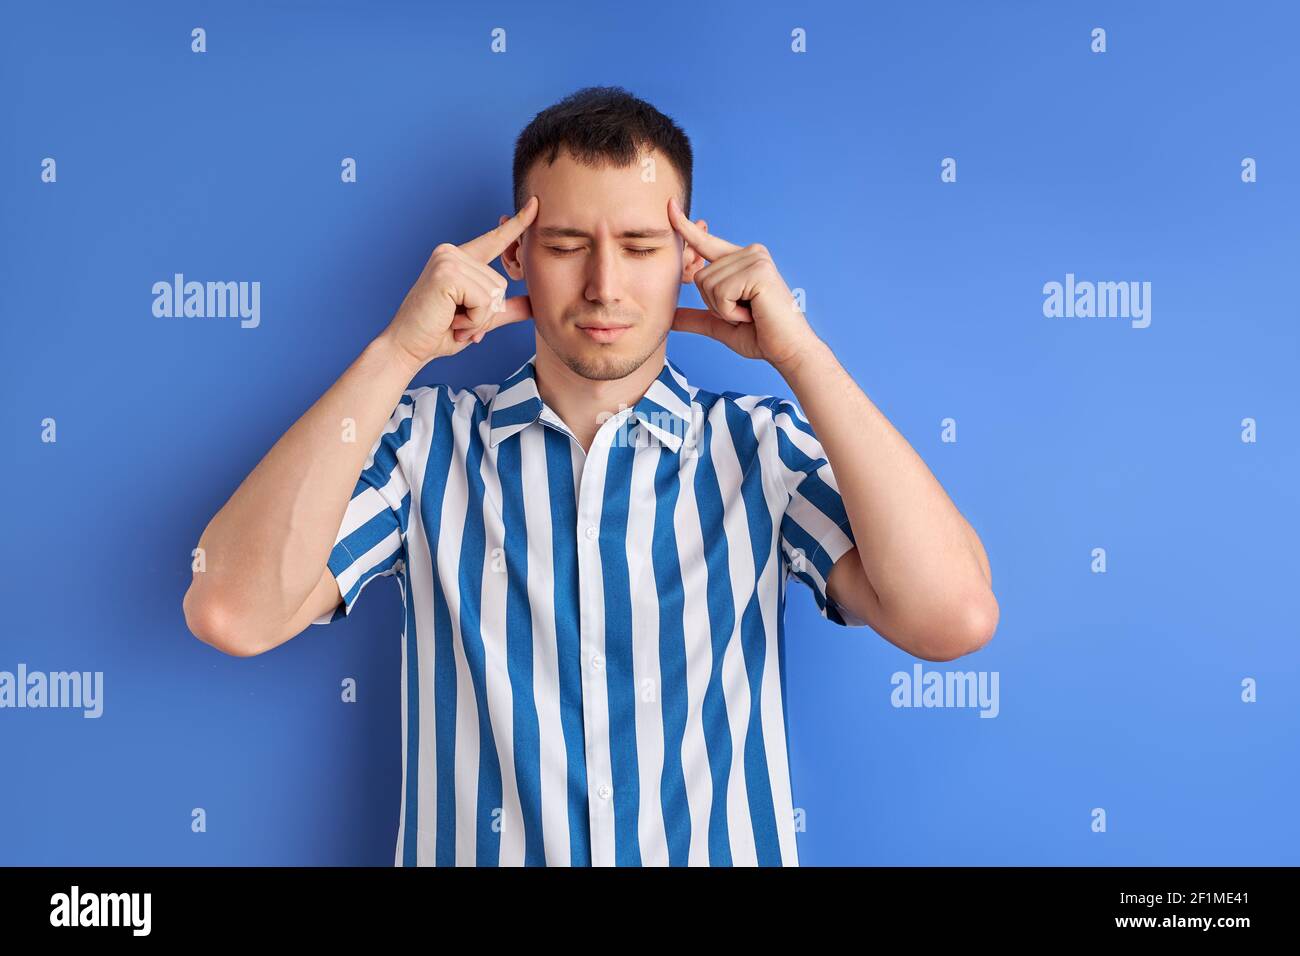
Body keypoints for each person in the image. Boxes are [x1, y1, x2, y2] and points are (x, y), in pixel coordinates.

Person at [183, 86, 997, 866]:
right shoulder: (421, 447)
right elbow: (232, 611)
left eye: (641, 246)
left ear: (688, 255)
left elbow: (951, 618)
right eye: (567, 245)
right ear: (515, 253)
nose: (604, 285)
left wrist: (800, 355)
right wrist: (399, 352)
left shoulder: (761, 451)